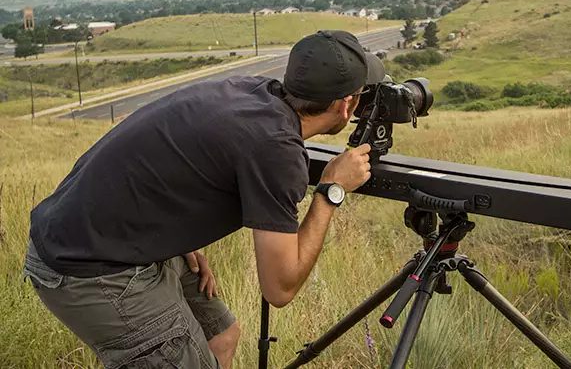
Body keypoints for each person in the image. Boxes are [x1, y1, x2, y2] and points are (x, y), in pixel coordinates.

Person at [22, 30, 385, 369]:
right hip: (87, 269)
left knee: (222, 336)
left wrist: (177, 240)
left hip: (81, 231)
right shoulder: (276, 148)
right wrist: (330, 192)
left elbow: (172, 158)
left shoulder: (250, 90)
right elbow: (280, 287)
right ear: (346, 105)